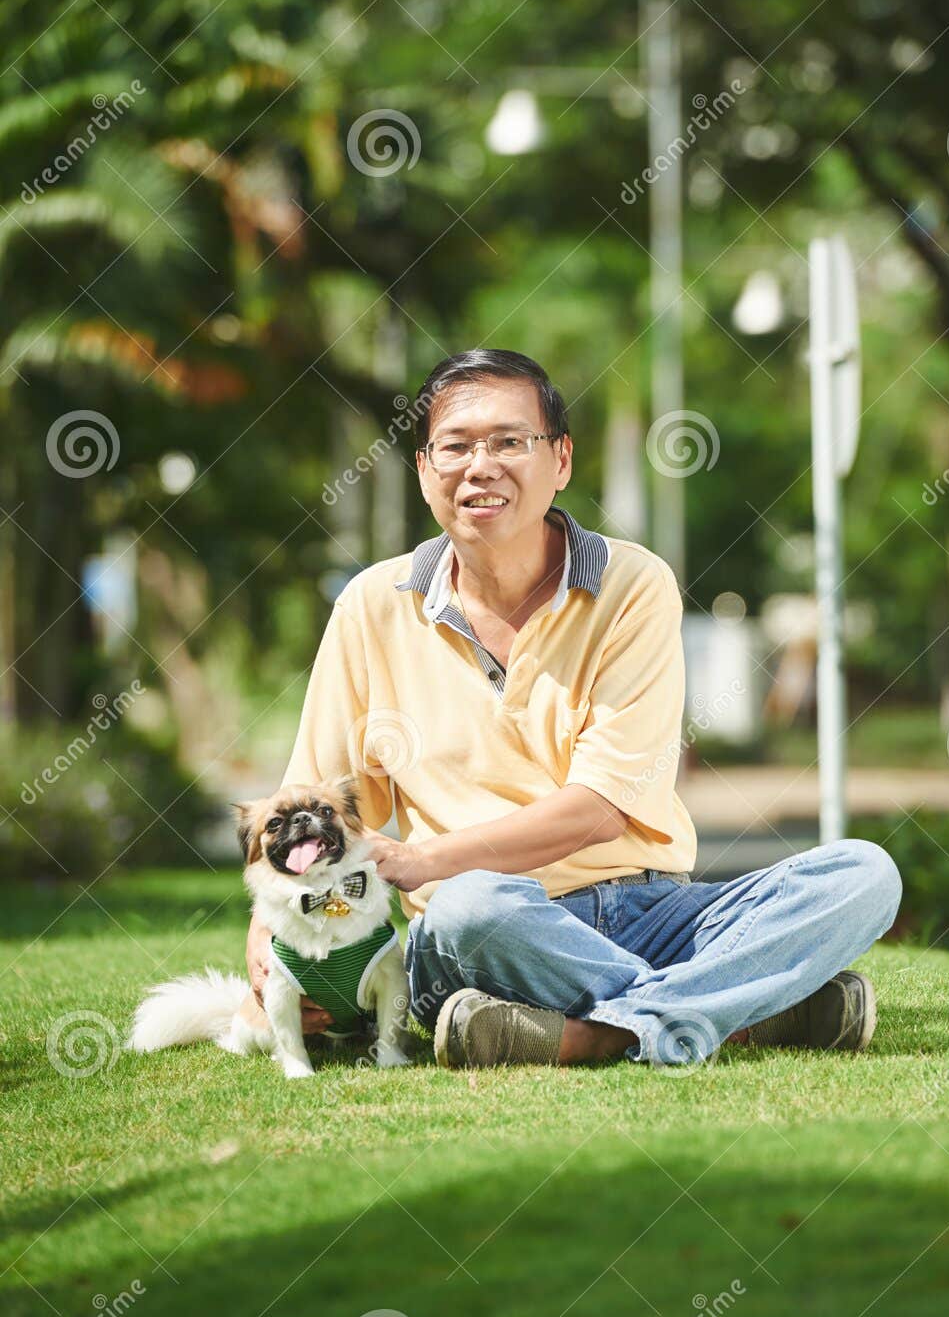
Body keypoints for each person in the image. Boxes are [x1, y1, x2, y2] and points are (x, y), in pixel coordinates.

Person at [246, 348, 901, 1069]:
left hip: (650, 912)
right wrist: (267, 939)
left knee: (863, 874)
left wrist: (423, 858)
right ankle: (741, 1011)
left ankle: (595, 1033)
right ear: (425, 470)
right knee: (465, 906)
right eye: (455, 447)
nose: (481, 466)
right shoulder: (373, 604)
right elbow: (315, 801)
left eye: (509, 441)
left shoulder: (633, 584)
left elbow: (600, 809)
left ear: (560, 460)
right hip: (490, 928)